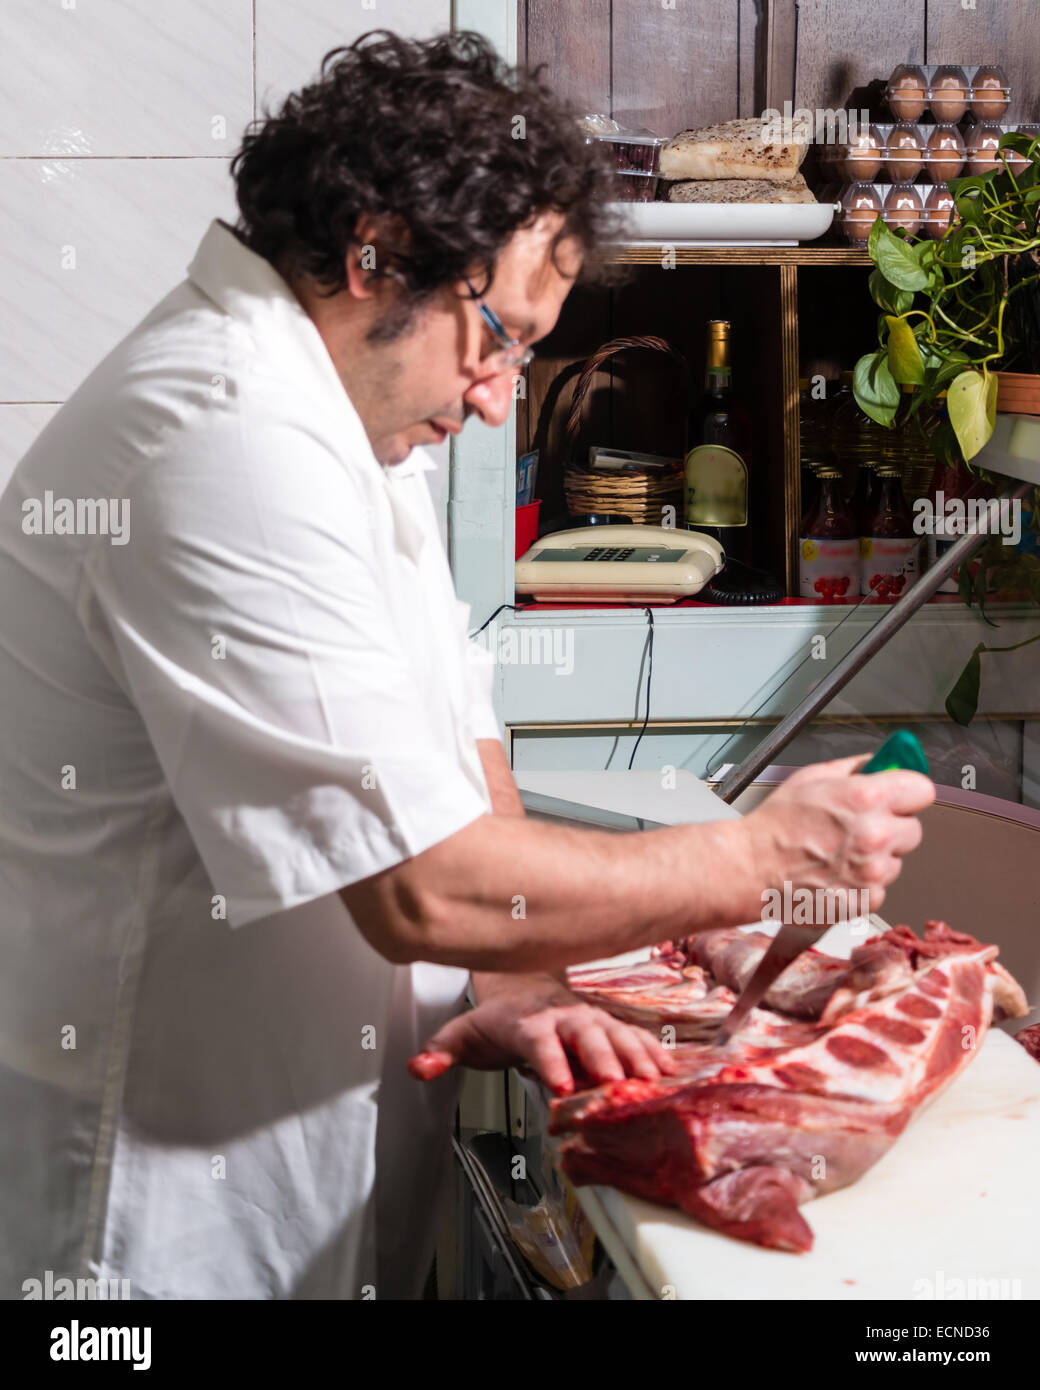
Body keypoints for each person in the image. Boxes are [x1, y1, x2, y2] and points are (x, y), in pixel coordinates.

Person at [0, 30, 934, 1301]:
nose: (500, 395)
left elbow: (455, 725)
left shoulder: (336, 413)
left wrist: (518, 973)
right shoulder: (224, 438)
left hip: (298, 1143)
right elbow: (423, 886)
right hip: (156, 1213)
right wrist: (759, 857)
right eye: (496, 334)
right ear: (375, 250)